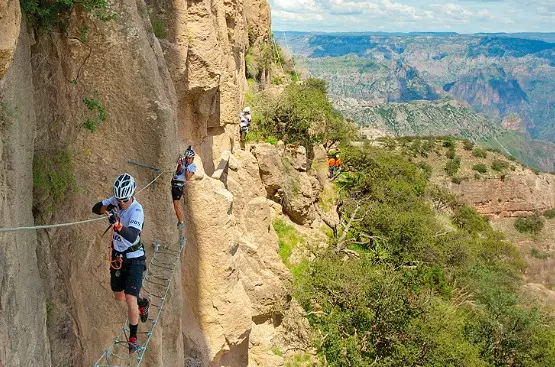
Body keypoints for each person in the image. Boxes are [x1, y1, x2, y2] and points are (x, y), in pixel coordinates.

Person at [92, 173, 149, 354]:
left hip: (135, 257)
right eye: (119, 199)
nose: (122, 202)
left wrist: (117, 225)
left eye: (124, 199)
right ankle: (142, 303)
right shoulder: (116, 200)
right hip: (117, 257)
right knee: (119, 296)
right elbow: (95, 209)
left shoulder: (137, 210)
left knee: (129, 298)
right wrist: (108, 207)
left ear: (132, 194)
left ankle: (133, 338)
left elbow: (132, 235)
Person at [171, 146, 197, 229]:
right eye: (187, 158)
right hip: (173, 182)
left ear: (192, 159)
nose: (188, 159)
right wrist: (179, 164)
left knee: (176, 206)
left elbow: (187, 178)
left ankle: (180, 222)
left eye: (190, 158)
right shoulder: (183, 161)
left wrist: (185, 167)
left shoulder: (193, 166)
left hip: (179, 187)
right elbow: (178, 171)